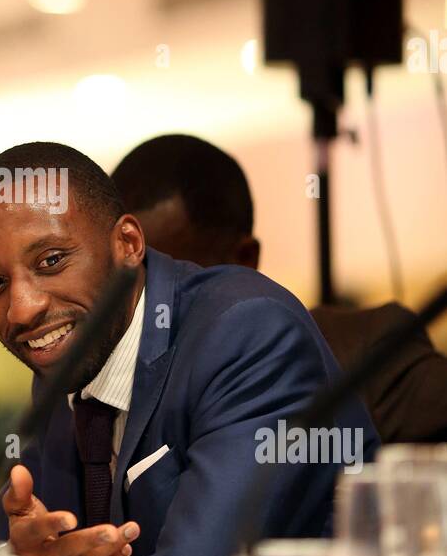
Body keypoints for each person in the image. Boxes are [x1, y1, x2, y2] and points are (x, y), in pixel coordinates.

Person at [0, 140, 378, 556]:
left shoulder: (247, 332)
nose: (23, 308)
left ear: (128, 245)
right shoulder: (68, 367)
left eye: (52, 261)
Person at [111, 134, 447, 444]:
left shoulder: (367, 355)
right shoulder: (94, 396)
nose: (148, 303)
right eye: (126, 281)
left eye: (172, 278)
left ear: (245, 259)